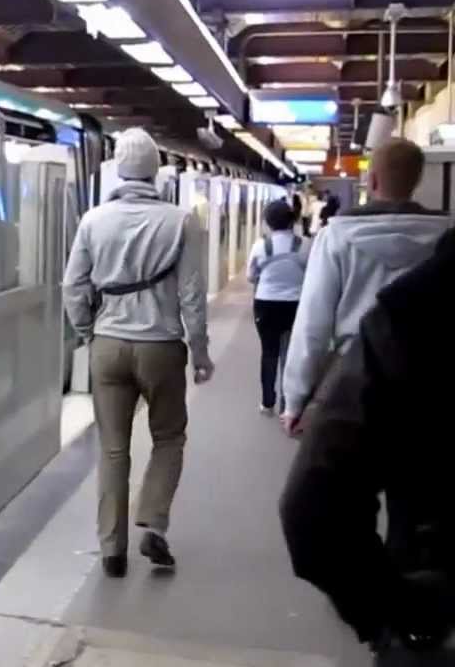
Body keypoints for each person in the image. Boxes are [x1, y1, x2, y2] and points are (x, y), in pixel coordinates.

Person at [281, 228, 455, 667]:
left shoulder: (425, 300)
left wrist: (391, 609)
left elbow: (313, 510)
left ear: (373, 181)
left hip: (437, 620)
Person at [63, 128, 213, 579]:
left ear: (118, 168)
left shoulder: (93, 220)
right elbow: (192, 295)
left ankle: (112, 550)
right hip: (162, 347)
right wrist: (200, 352)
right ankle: (153, 520)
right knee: (168, 438)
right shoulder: (182, 221)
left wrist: (89, 333)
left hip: (108, 346)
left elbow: (73, 287)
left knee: (113, 450)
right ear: (154, 171)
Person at [281, 139, 447, 435]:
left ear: (371, 180)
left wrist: (295, 399)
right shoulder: (444, 239)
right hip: (427, 379)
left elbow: (313, 323)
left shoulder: (336, 237)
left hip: (353, 376)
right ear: (417, 180)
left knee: (336, 478)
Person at [246, 199, 308, 416]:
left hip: (266, 304)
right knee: (290, 353)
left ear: (268, 222)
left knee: (269, 352)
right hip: (296, 305)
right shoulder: (305, 245)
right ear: (292, 221)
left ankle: (267, 402)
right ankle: (287, 404)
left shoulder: (260, 246)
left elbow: (251, 276)